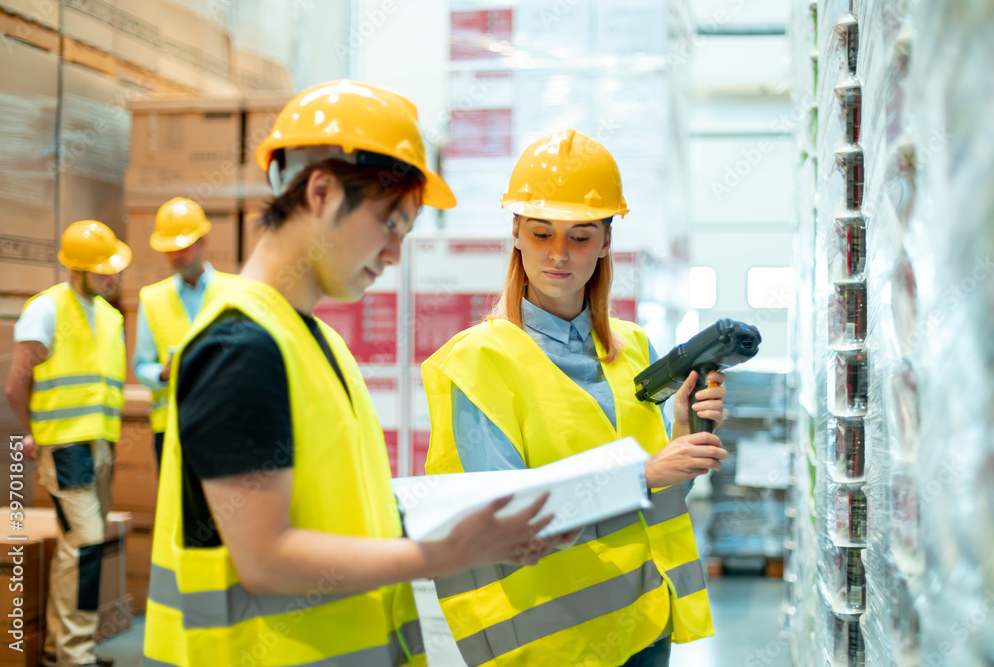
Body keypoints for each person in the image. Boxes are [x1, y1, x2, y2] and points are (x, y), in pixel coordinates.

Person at [142, 80, 574, 667]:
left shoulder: (315, 342)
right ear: (321, 192)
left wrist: (468, 522)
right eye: (390, 223)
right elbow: (265, 560)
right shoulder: (238, 347)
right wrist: (443, 552)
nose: (396, 252)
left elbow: (348, 504)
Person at [422, 129, 729, 667]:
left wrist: (683, 437)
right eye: (541, 234)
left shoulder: (633, 348)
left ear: (607, 241)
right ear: (516, 233)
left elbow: (657, 503)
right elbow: (503, 527)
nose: (559, 254)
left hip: (643, 627)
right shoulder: (477, 362)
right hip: (547, 645)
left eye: (581, 237)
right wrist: (645, 473)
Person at [5, 220, 131, 667]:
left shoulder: (111, 316)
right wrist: (33, 430)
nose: (113, 277)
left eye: (114, 268)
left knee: (75, 544)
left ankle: (64, 647)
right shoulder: (47, 309)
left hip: (100, 447)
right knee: (88, 539)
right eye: (103, 271)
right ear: (75, 271)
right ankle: (73, 657)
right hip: (65, 448)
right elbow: (15, 385)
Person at [132, 197, 235, 468]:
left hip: (224, 421)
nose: (176, 255)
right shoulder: (152, 299)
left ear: (204, 241)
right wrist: (163, 374)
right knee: (176, 509)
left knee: (224, 508)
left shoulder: (234, 292)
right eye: (170, 249)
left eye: (184, 247)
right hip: (171, 426)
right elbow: (141, 365)